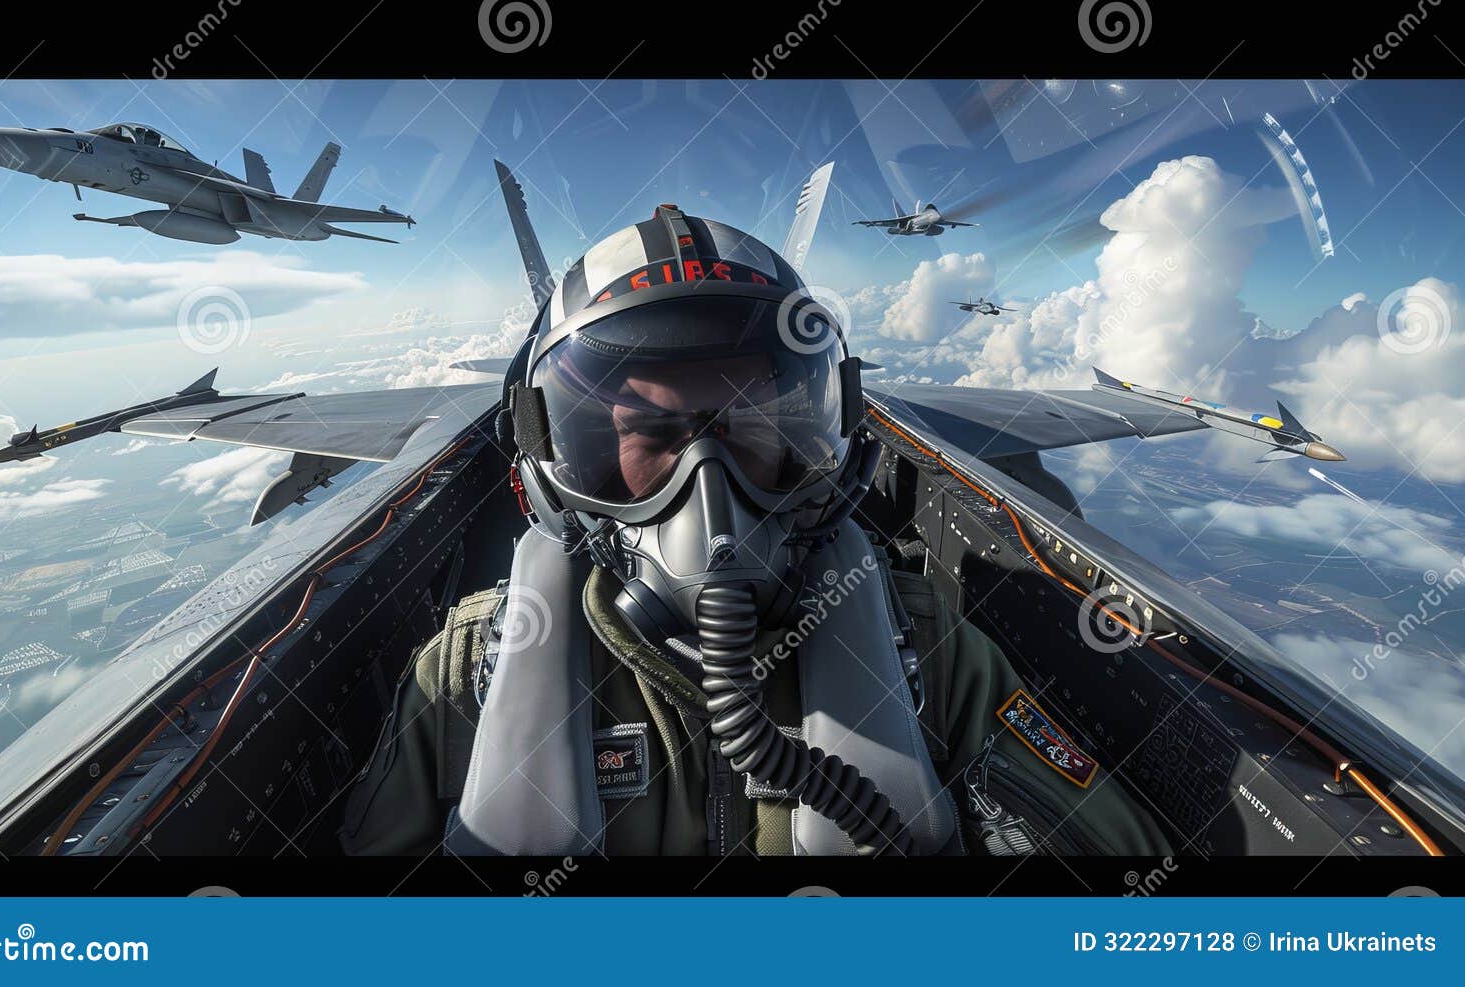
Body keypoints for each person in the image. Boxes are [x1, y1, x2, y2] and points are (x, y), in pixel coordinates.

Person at [340, 206, 1170, 856]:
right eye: (650, 435)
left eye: (747, 424)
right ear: (564, 458)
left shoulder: (927, 651)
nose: (709, 485)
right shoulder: (468, 673)